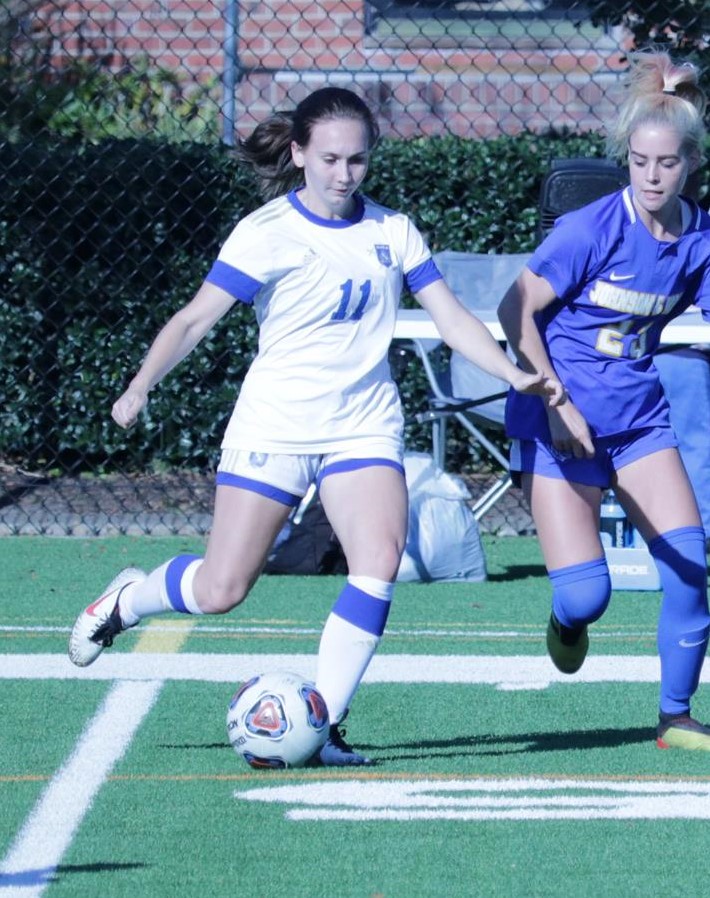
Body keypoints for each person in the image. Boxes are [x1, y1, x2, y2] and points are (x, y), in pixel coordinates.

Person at [68, 87, 563, 765]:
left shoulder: (394, 232)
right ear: (298, 153)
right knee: (221, 589)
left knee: (377, 561)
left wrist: (514, 374)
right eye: (329, 158)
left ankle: (326, 726)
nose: (344, 173)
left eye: (358, 160)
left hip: (362, 427)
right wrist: (140, 383)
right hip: (275, 426)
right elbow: (193, 319)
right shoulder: (266, 232)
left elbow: (451, 320)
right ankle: (128, 598)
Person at [498, 50, 710, 751]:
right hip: (557, 423)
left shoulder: (699, 236)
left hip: (639, 424)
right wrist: (557, 403)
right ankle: (565, 619)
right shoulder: (590, 228)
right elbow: (512, 308)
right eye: (640, 161)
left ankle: (675, 718)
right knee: (587, 597)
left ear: (690, 164)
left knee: (689, 567)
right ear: (627, 157)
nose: (652, 176)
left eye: (668, 163)